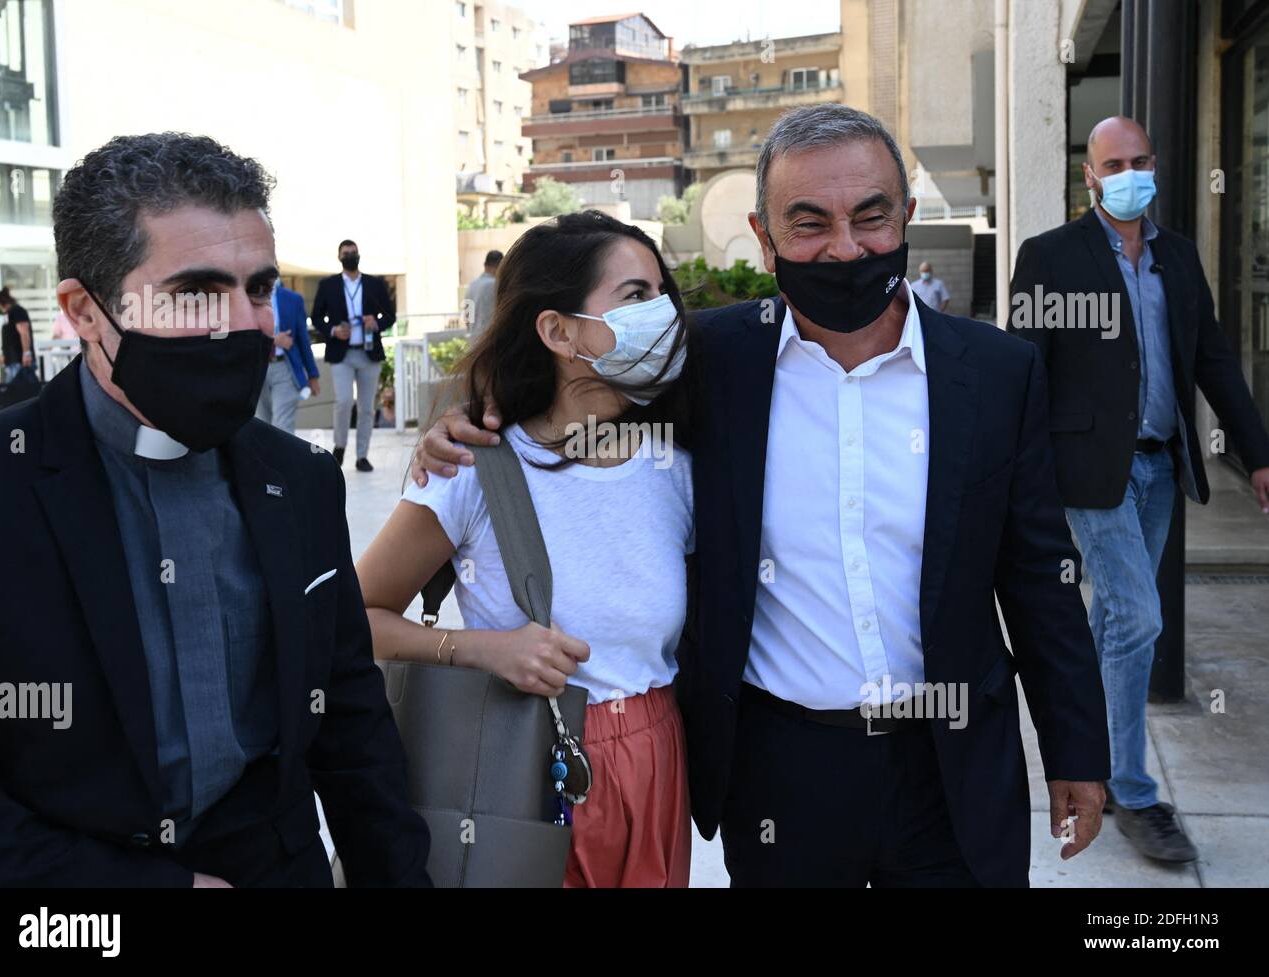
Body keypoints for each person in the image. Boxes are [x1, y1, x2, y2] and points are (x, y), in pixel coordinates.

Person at [414, 104, 1111, 887]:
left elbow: (1040, 581)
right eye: (809, 223)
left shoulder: (996, 372)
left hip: (952, 760)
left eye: (872, 216)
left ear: (908, 215)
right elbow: (571, 388)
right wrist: (471, 418)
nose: (845, 247)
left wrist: (1076, 750)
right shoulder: (710, 359)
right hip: (781, 772)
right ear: (765, 236)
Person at [0, 132, 430, 887]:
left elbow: (350, 724)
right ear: (86, 310)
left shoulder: (301, 479)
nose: (249, 326)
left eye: (258, 289)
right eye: (197, 293)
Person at [359, 210, 697, 888]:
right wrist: (482, 649)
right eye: (634, 297)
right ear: (556, 330)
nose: (660, 313)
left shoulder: (678, 465)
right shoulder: (473, 468)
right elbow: (352, 614)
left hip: (658, 757)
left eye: (663, 294)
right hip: (530, 759)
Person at [1009, 116, 1269, 864]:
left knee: (1115, 628)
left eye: (1140, 159)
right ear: (1089, 175)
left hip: (1160, 464)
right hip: (1090, 474)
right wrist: (1016, 476)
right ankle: (1132, 787)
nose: (1129, 172)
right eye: (1113, 162)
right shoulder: (1050, 256)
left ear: (1155, 164)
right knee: (1139, 616)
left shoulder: (1179, 258)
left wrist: (1256, 453)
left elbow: (1215, 359)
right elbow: (1025, 368)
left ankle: (1082, 752)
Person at [311, 240, 394, 471]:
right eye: (346, 253)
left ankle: (362, 455)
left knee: (367, 407)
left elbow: (390, 314)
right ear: (339, 257)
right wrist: (333, 330)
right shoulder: (328, 285)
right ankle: (339, 446)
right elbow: (317, 317)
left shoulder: (374, 283)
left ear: (359, 255)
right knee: (344, 401)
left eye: (354, 253)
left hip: (369, 353)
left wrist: (375, 322)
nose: (350, 256)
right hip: (341, 353)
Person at [256, 279, 320, 434]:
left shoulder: (293, 299)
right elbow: (241, 337)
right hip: (257, 368)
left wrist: (312, 374)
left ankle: (282, 458)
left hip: (285, 367)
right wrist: (273, 341)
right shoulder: (246, 296)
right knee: (260, 425)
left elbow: (303, 339)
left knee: (282, 426)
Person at [0, 287, 35, 383]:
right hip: (12, 363)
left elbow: (24, 332)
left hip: (20, 363)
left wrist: (26, 353)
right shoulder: (8, 315)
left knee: (20, 395)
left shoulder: (17, 311)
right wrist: (5, 357)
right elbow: (11, 340)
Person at [466, 249, 502, 336]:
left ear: (485, 265)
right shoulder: (495, 285)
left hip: (474, 340)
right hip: (490, 340)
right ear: (500, 266)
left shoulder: (472, 285)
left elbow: (467, 317)